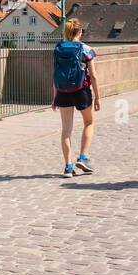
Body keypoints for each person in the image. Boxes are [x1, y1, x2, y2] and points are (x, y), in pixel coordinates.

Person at [52, 18, 100, 177]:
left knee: (66, 130)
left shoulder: (58, 48)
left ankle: (68, 167)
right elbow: (93, 76)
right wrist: (98, 97)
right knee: (89, 122)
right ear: (80, 32)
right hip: (81, 90)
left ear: (66, 32)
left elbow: (55, 74)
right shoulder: (86, 49)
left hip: (63, 92)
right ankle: (83, 157)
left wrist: (54, 97)